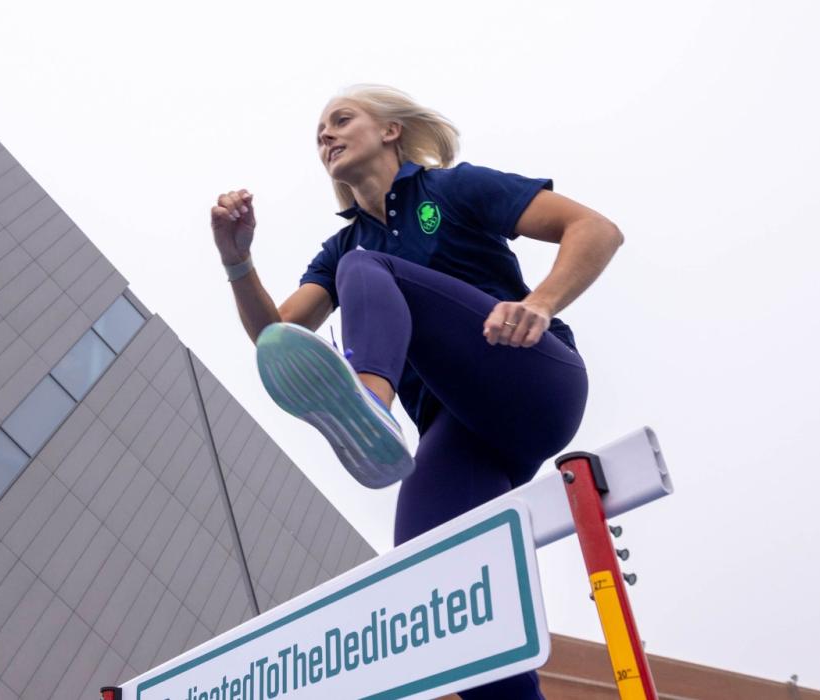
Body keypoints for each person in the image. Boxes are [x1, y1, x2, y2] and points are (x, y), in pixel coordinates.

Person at [209, 84, 622, 699]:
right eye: (318, 132)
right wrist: (237, 260)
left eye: (341, 120)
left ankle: (369, 402)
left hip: (535, 379)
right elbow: (276, 336)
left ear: (390, 131)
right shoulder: (342, 245)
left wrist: (539, 302)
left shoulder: (452, 189)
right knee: (433, 585)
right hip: (464, 436)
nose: (325, 135)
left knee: (364, 272)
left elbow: (596, 229)